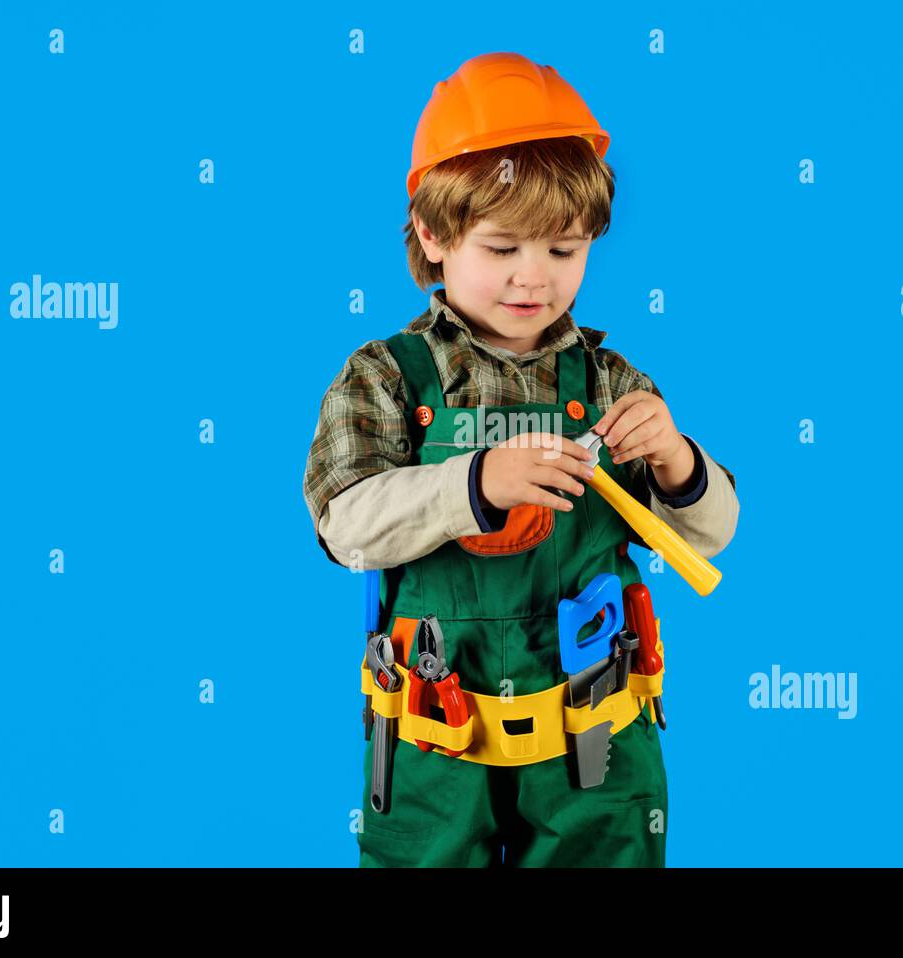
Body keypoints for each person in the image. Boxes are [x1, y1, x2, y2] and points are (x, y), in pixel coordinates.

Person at [303, 52, 740, 866]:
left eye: (564, 252)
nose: (533, 280)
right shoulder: (385, 378)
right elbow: (345, 529)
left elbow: (710, 536)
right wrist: (475, 485)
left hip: (594, 736)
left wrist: (678, 462)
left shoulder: (609, 383)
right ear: (433, 235)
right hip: (437, 736)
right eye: (502, 250)